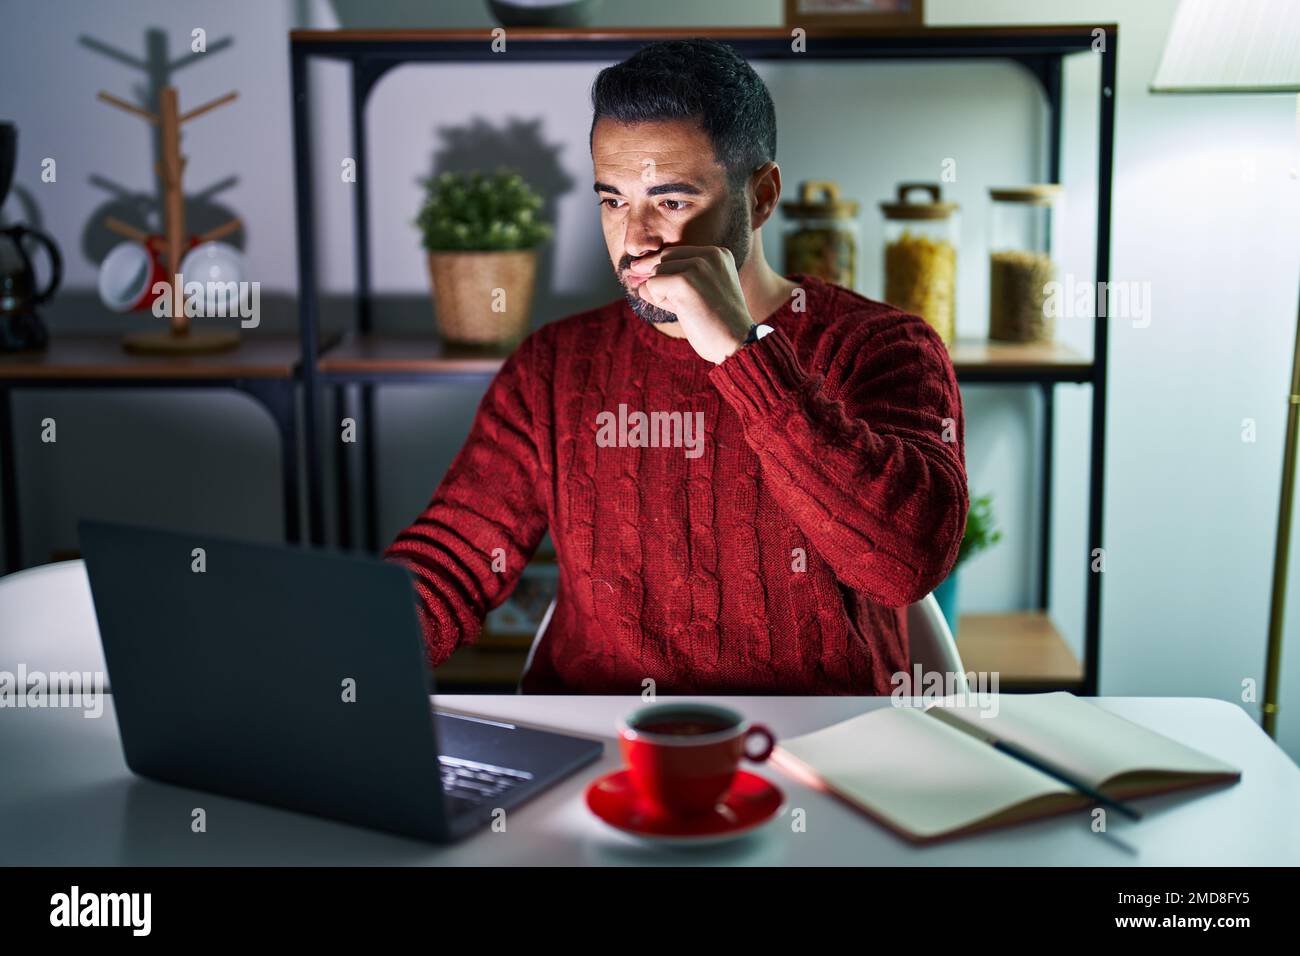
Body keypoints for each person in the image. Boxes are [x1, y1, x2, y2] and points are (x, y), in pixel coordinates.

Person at [385, 38, 968, 694]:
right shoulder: (554, 367)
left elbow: (905, 566)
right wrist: (340, 659)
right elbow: (451, 565)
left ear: (762, 197)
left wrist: (742, 353)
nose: (634, 240)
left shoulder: (885, 348)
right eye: (612, 200)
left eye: (670, 201)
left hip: (822, 748)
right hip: (608, 749)